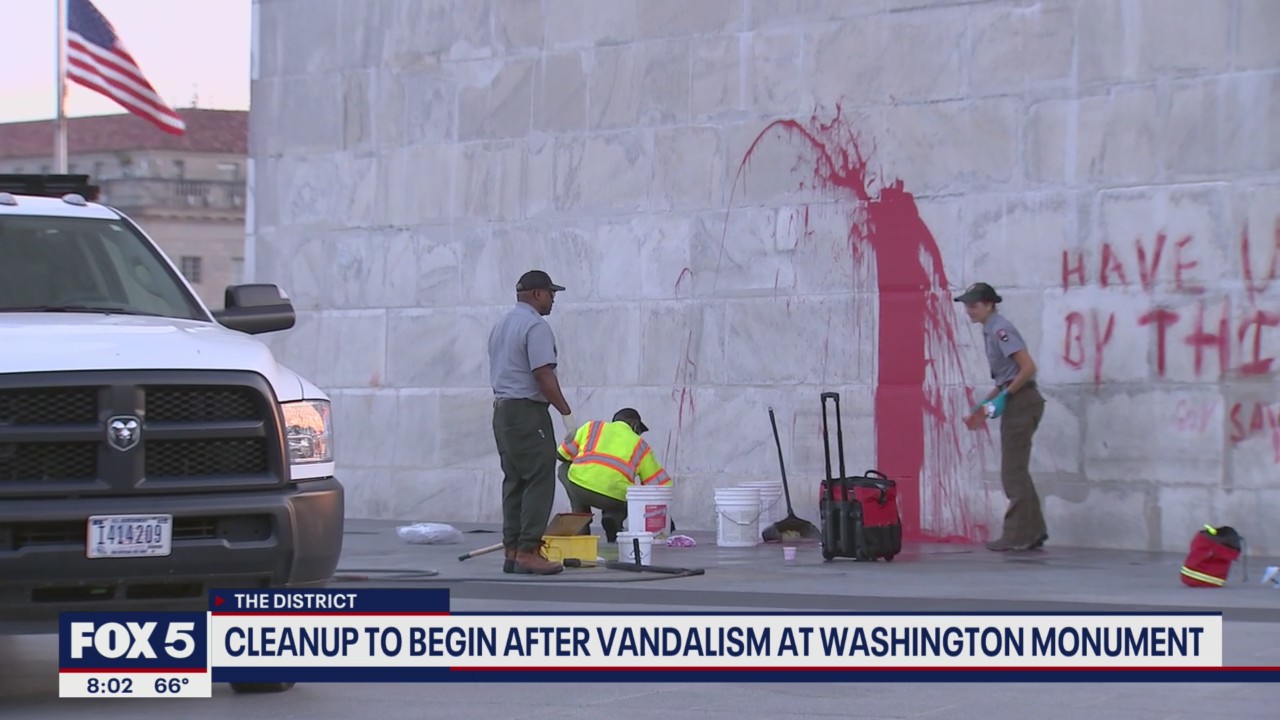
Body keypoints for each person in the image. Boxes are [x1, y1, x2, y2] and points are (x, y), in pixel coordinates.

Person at [487, 270, 577, 575]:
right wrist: (566, 412)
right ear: (537, 294)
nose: (553, 299)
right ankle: (528, 550)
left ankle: (512, 550)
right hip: (528, 413)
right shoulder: (535, 326)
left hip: (503, 411)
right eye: (551, 293)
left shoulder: (501, 325)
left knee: (514, 480)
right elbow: (542, 375)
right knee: (539, 479)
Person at [955, 282, 1048, 552]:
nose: (969, 310)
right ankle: (1034, 531)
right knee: (1017, 470)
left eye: (974, 305)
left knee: (1012, 472)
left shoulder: (1000, 329)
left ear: (989, 304)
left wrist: (1005, 397)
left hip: (1022, 401)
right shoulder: (990, 330)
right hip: (1017, 398)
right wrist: (985, 405)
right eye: (967, 306)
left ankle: (1016, 534)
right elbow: (1006, 377)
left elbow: (1027, 367)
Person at [556, 408, 673, 543]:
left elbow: (561, 454)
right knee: (632, 496)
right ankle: (613, 518)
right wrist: (667, 514)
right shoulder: (640, 445)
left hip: (581, 489)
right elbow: (658, 485)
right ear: (635, 426)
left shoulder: (592, 427)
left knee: (564, 469)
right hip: (614, 499)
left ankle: (581, 519)